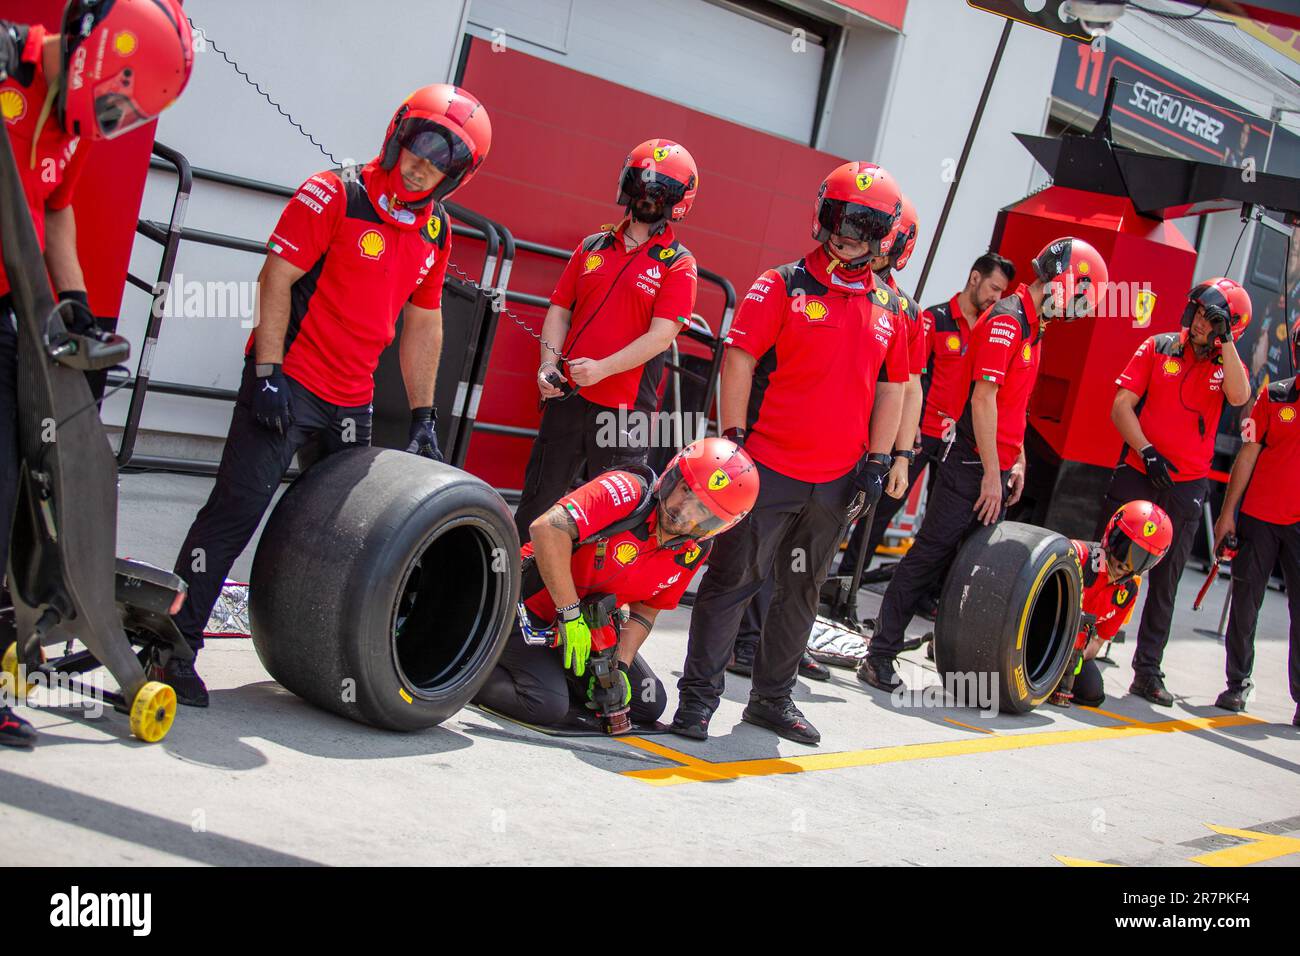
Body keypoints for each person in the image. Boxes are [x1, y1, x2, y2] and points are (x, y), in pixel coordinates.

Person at [166, 85, 491, 706]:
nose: (421, 164)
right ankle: (171, 643)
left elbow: (424, 322)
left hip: (352, 400)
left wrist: (425, 415)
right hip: (286, 385)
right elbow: (276, 278)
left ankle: (322, 659)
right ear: (398, 136)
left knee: (346, 534)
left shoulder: (437, 230)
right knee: (234, 514)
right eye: (416, 147)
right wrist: (266, 372)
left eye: (439, 161)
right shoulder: (334, 192)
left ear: (455, 176)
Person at [0, 0, 193, 747]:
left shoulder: (71, 129)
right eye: (117, 97)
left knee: (18, 492)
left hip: (10, 311)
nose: (112, 114)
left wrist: (75, 303)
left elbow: (55, 214)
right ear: (96, 56)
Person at [671, 161, 910, 744]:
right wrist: (733, 439)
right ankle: (697, 702)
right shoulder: (782, 284)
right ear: (820, 216)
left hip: (835, 483)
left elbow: (893, 386)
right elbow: (740, 357)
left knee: (801, 590)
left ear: (884, 233)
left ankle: (771, 701)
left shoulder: (894, 309)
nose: (847, 231)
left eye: (864, 223)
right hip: (766, 472)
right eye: (838, 216)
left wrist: (880, 461)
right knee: (733, 582)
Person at [863, 237, 1109, 691]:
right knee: (930, 554)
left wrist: (1018, 463)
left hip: (994, 464)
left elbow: (1017, 405)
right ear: (1062, 282)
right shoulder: (1007, 321)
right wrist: (993, 475)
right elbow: (983, 399)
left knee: (967, 564)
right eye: (1077, 298)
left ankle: (946, 650)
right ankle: (880, 653)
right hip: (971, 464)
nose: (1074, 310)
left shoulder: (1034, 327)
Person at [474, 437, 757, 728]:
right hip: (522, 607)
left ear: (717, 524)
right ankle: (468, 665)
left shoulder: (694, 550)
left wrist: (618, 666)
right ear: (673, 476)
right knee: (544, 705)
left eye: (702, 510)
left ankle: (548, 673)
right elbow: (548, 528)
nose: (683, 509)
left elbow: (647, 610)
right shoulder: (628, 490)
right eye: (686, 490)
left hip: (584, 628)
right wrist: (569, 614)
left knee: (645, 704)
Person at [513, 140, 700, 540]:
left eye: (660, 191)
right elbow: (560, 311)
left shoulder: (680, 263)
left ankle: (581, 599)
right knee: (537, 500)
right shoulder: (591, 246)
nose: (648, 196)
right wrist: (547, 366)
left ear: (677, 200)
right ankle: (513, 590)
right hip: (567, 397)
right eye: (642, 184)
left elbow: (662, 336)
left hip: (625, 412)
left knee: (609, 517)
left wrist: (602, 370)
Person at [1106, 277, 1252, 706]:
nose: (1200, 322)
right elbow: (1121, 405)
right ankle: (1080, 644)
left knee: (1165, 582)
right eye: (1200, 313)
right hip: (1139, 470)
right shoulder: (1158, 346)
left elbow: (1241, 395)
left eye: (1211, 318)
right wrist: (1146, 452)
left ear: (1228, 327)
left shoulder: (1226, 365)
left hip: (1186, 485)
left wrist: (1225, 340)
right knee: (1111, 560)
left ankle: (1147, 672)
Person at [844, 252, 1016, 597]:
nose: (997, 297)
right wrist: (912, 426)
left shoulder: (990, 329)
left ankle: (927, 594)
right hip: (922, 434)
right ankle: (847, 579)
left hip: (958, 441)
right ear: (974, 278)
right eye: (994, 287)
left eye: (1002, 291)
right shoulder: (935, 318)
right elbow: (912, 377)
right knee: (885, 505)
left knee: (944, 524)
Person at [1211, 324, 1300, 726]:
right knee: (1245, 606)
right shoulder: (1274, 394)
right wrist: (1228, 514)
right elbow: (1247, 455)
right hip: (1259, 518)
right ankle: (1237, 683)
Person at [838, 195, 924, 573]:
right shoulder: (826, 281)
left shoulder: (906, 310)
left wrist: (900, 458)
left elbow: (909, 388)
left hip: (864, 439)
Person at [1050, 501, 1173, 708]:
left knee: (1093, 693)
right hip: (1039, 635)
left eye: (1141, 559)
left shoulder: (1129, 591)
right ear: (1112, 534)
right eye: (1125, 549)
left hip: (1073, 651)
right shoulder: (1076, 555)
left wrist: (1074, 656)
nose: (1126, 564)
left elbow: (1098, 642)